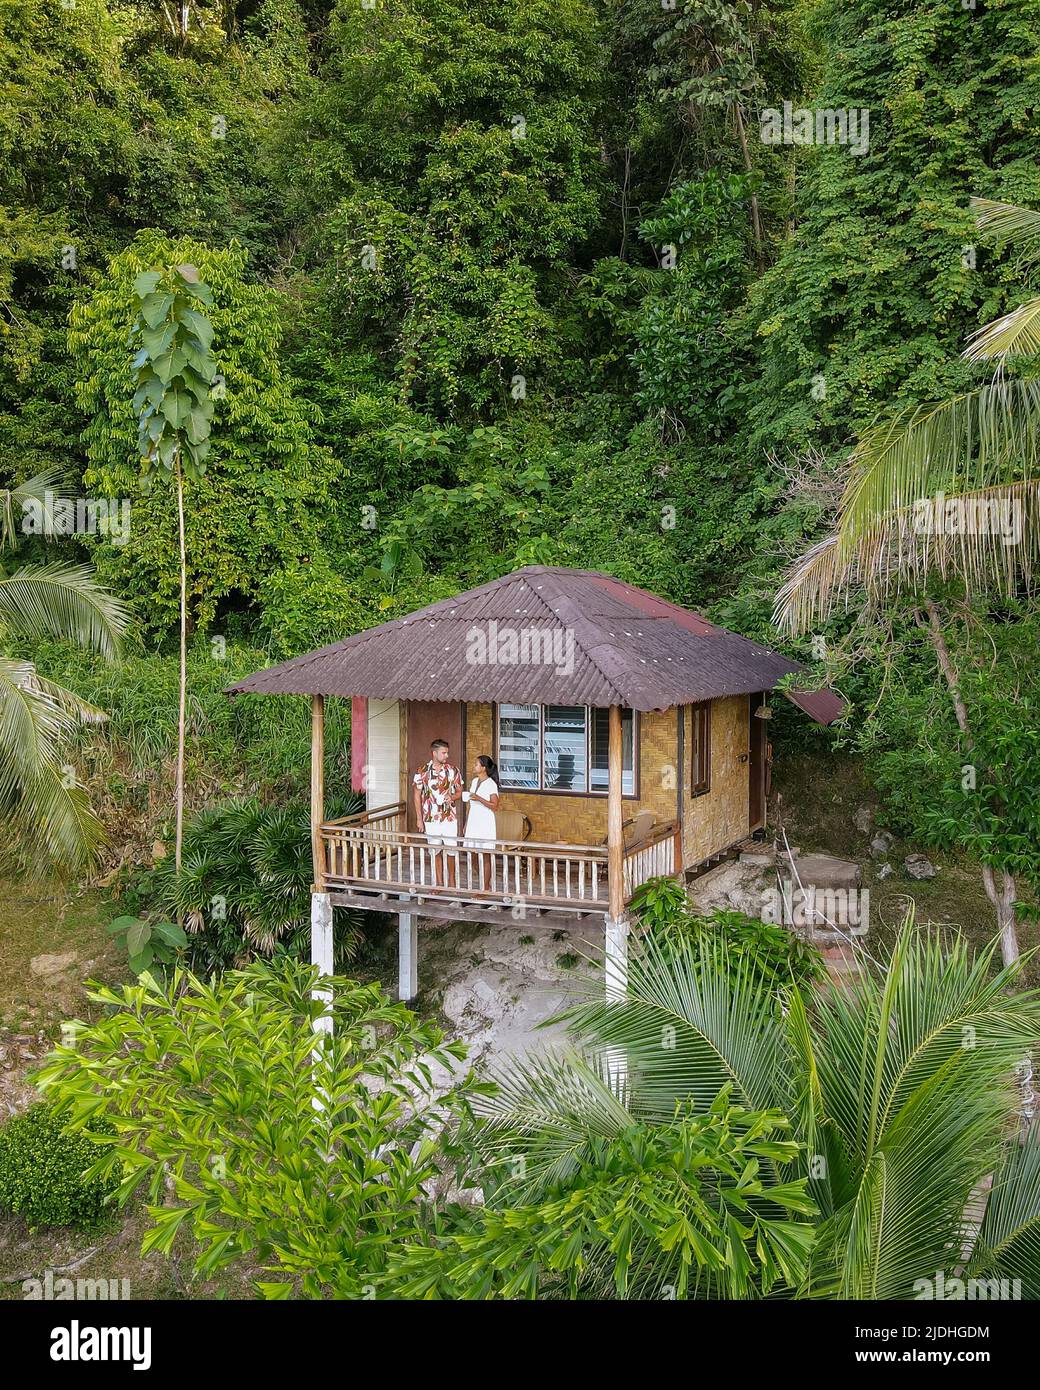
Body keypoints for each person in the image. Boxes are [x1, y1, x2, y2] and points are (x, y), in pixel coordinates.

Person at [412, 738, 463, 887]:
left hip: (449, 817)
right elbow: (416, 795)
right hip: (430, 818)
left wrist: (452, 796)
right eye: (444, 752)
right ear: (434, 753)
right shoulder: (422, 771)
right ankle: (439, 884)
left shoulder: (453, 770)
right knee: (435, 851)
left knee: (451, 850)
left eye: (447, 752)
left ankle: (452, 883)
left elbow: (460, 791)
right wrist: (419, 819)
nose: (446, 755)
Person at [463, 755, 500, 892]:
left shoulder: (491, 784)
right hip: (474, 821)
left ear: (483, 768)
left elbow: (495, 806)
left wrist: (479, 798)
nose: (474, 766)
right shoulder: (474, 781)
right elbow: (471, 805)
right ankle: (484, 880)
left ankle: (485, 887)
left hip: (485, 822)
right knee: (472, 854)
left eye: (476, 764)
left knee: (485, 855)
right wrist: (466, 823)